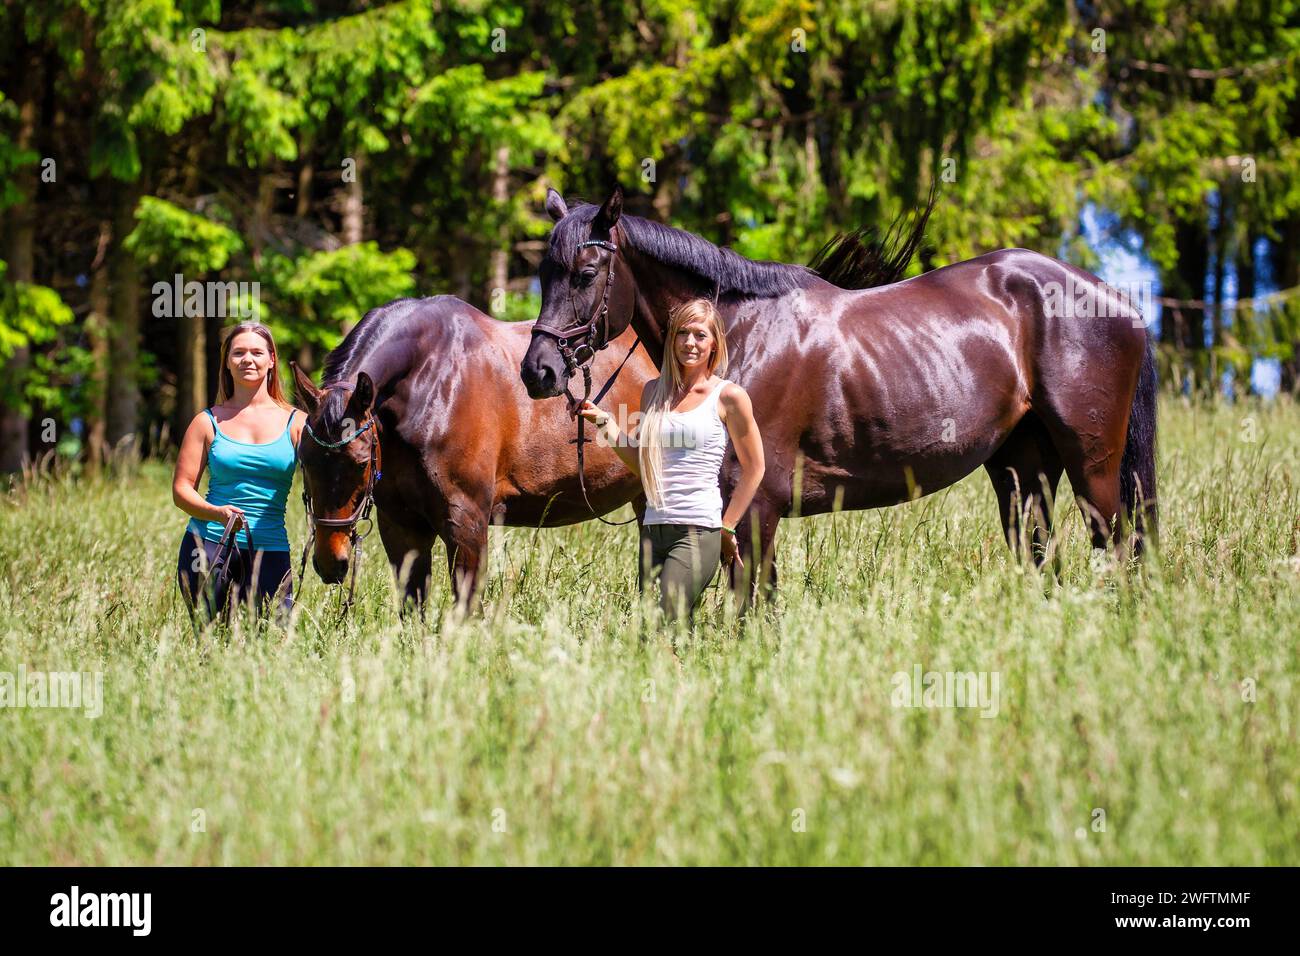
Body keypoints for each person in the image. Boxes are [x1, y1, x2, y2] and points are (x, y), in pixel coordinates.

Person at [580, 298, 765, 623]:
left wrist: (727, 525)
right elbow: (644, 464)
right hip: (654, 529)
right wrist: (603, 423)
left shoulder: (728, 396)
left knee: (658, 623)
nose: (689, 343)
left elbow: (755, 467)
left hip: (698, 530)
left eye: (699, 335)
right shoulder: (653, 392)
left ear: (714, 344)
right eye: (682, 333)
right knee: (668, 635)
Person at [172, 322, 305, 621]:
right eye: (239, 353)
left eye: (257, 352)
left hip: (270, 549)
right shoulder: (206, 422)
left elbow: (328, 476)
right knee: (210, 644)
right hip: (208, 546)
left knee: (272, 644)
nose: (248, 359)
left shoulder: (297, 423)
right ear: (227, 363)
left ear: (272, 360)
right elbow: (181, 491)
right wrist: (216, 512)